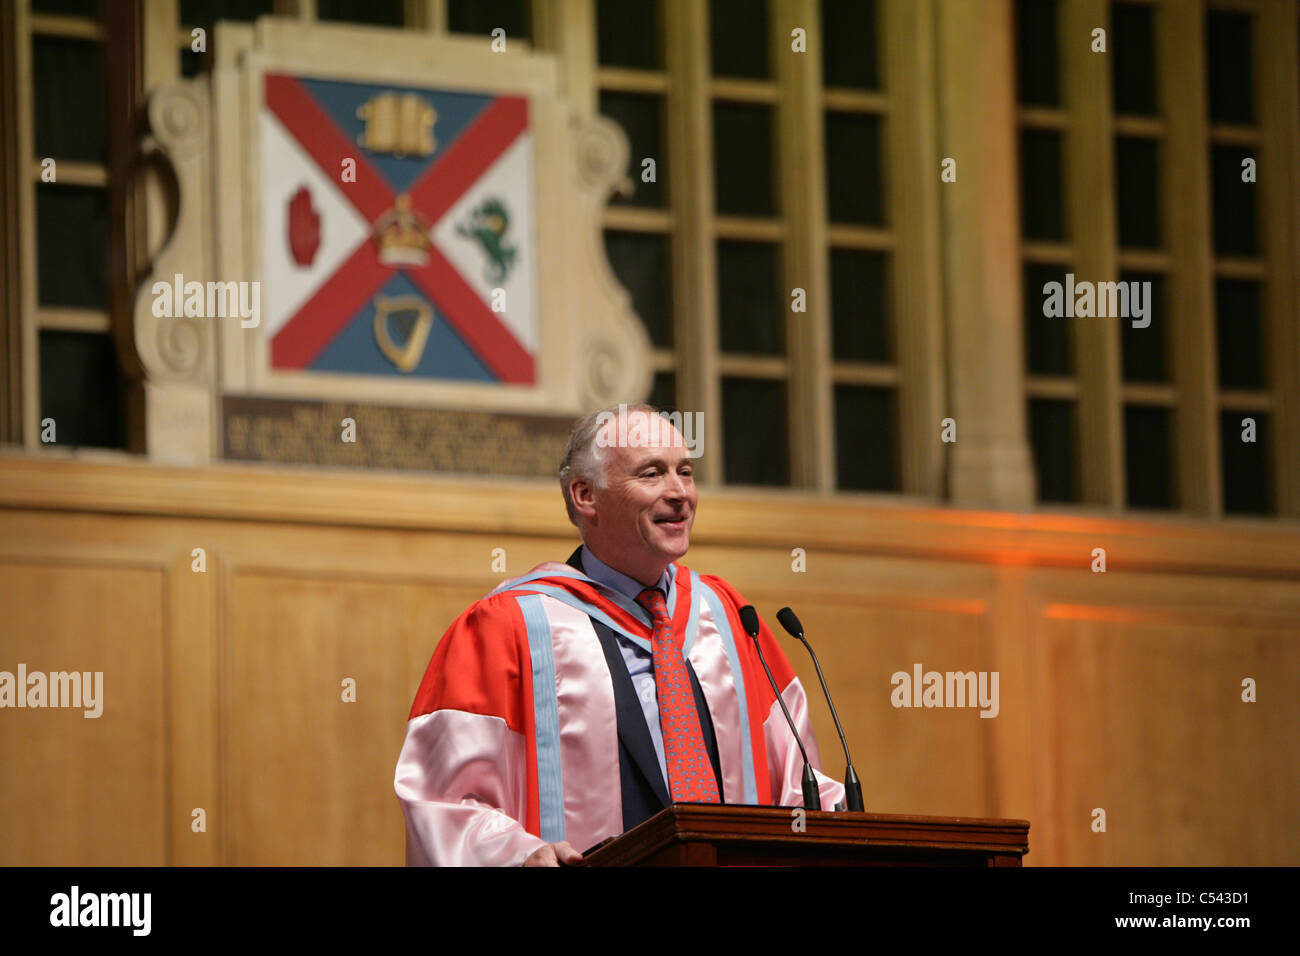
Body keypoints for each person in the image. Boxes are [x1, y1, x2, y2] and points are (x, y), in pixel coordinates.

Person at [394, 403, 845, 866]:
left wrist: (839, 819)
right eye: (651, 474)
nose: (679, 493)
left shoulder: (728, 617)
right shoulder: (506, 628)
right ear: (585, 495)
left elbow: (796, 780)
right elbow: (443, 801)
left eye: (685, 472)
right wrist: (519, 855)